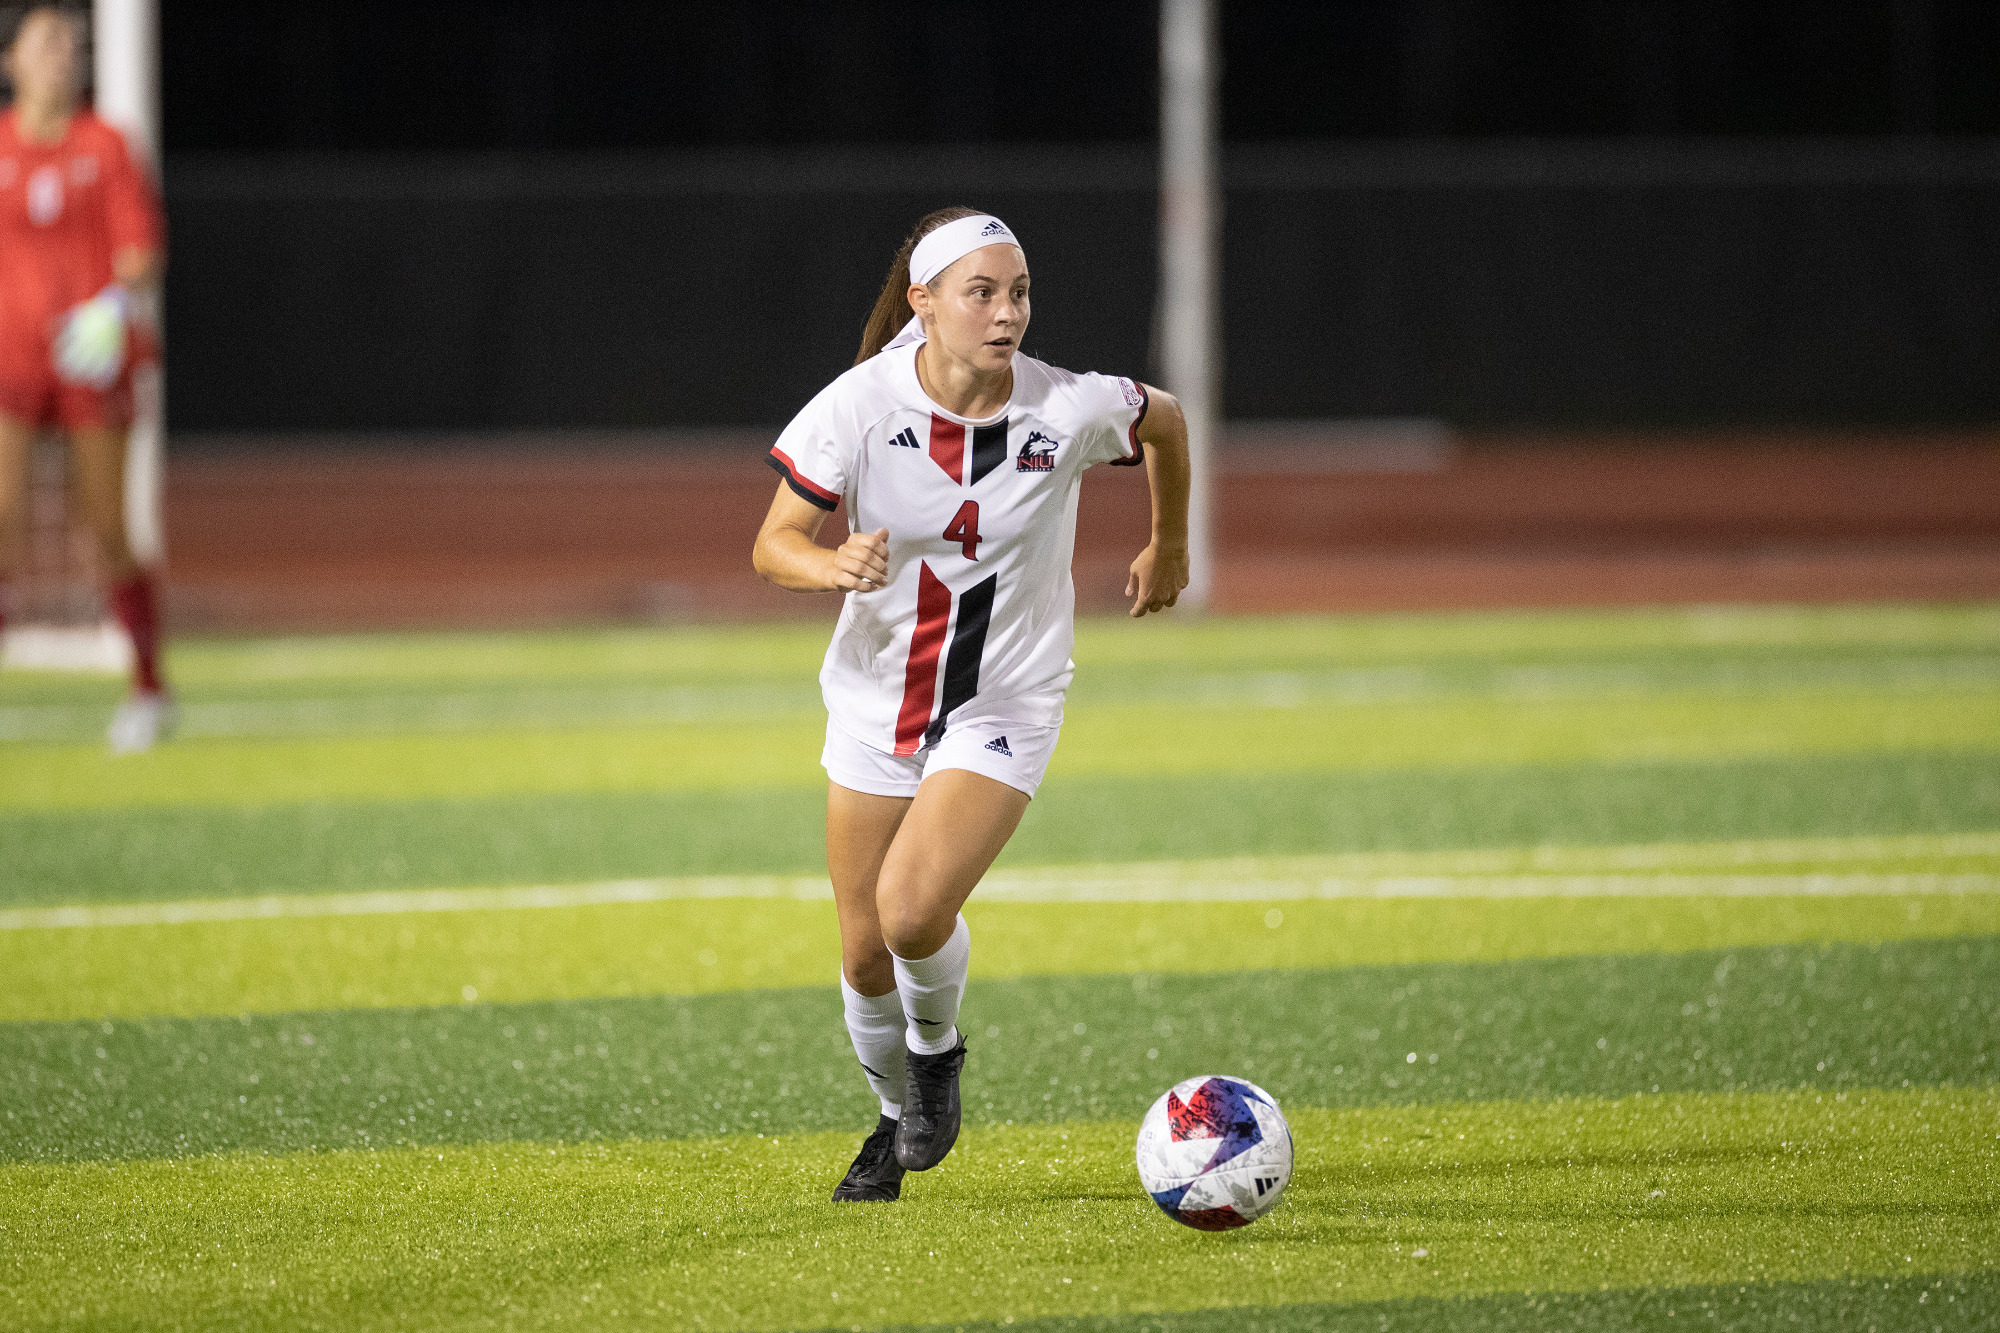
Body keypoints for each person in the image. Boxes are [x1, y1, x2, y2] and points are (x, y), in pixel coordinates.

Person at [751, 207, 1191, 1201]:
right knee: (862, 949)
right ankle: (890, 1116)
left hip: (1004, 696)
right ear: (924, 302)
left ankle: (935, 1052)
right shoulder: (856, 408)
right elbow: (770, 542)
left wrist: (1170, 542)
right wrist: (826, 565)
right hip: (873, 703)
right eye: (980, 293)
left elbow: (1163, 419)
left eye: (1018, 292)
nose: (1006, 314)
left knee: (909, 911)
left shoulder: (1067, 406)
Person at [0, 5, 168, 752]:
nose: (60, 57)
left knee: (105, 526)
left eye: (70, 46)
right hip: (9, 357)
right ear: (11, 62)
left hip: (90, 359)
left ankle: (148, 687)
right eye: (44, 45)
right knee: (0, 518)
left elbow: (142, 250)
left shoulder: (106, 144)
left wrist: (113, 305)